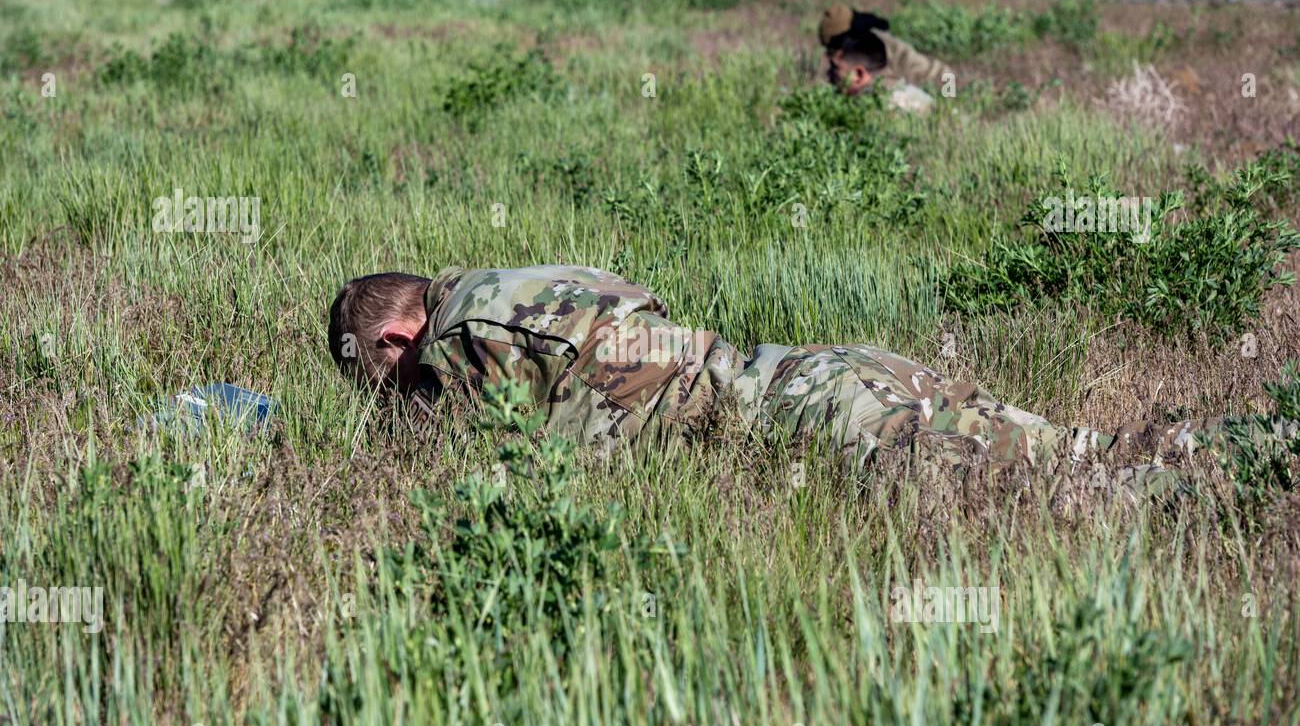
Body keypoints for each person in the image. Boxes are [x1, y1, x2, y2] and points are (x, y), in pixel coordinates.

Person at [327, 264, 1203, 487]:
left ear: (399, 339)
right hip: (831, 373)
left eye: (391, 386)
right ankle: (1257, 445)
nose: (405, 401)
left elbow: (485, 477)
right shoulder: (516, 284)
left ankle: (1225, 491)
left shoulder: (463, 336)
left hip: (808, 422)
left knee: (1075, 492)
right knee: (1090, 453)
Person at [819, 3, 949, 114]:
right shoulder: (849, 56)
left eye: (836, 46)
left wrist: (949, 105)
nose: (835, 56)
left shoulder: (886, 46)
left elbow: (946, 76)